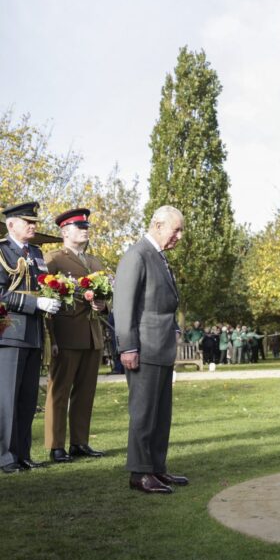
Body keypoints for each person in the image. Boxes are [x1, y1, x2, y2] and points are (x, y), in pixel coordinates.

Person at [113, 205, 188, 494]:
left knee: (160, 414)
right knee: (143, 414)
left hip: (161, 347)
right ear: (158, 225)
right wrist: (128, 346)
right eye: (176, 229)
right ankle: (140, 473)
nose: (179, 236)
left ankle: (157, 468)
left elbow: (159, 303)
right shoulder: (137, 255)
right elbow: (124, 306)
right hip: (144, 348)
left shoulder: (156, 256)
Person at [0, 201, 61, 473]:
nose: (34, 226)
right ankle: (6, 457)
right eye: (28, 222)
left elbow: (42, 287)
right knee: (7, 400)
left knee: (27, 401)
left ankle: (23, 454)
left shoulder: (36, 252)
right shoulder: (2, 252)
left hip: (35, 334)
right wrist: (35, 305)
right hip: (10, 334)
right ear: (11, 224)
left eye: (34, 222)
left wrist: (54, 297)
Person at [43, 207, 107, 463]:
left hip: (92, 335)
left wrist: (103, 304)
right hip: (66, 334)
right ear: (64, 231)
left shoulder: (95, 262)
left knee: (85, 393)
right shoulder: (54, 259)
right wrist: (51, 339)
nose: (85, 230)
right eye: (80, 227)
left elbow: (104, 297)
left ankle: (80, 442)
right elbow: (46, 299)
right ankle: (56, 445)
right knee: (59, 392)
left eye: (86, 227)